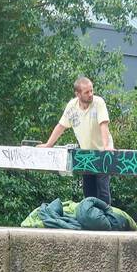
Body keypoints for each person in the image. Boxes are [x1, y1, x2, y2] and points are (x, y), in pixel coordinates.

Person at [38, 76, 113, 205]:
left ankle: (105, 216)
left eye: (91, 90)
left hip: (102, 152)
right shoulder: (72, 106)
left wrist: (107, 146)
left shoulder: (98, 102)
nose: (90, 94)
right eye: (86, 92)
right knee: (88, 191)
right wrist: (48, 144)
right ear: (78, 94)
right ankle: (90, 215)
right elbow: (61, 126)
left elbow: (103, 124)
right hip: (86, 154)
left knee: (103, 190)